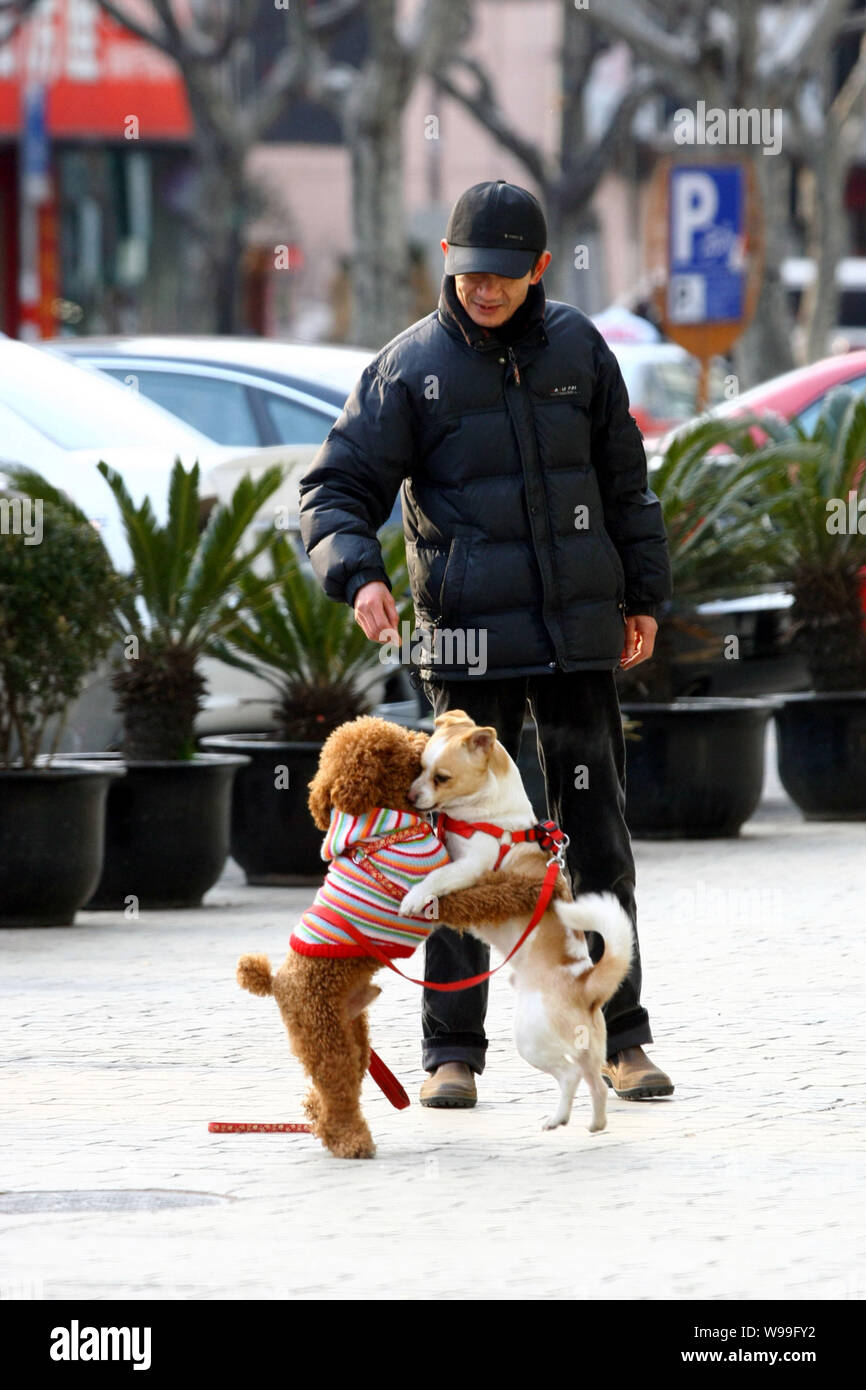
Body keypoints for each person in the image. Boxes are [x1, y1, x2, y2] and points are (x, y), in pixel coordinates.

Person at [299, 179, 674, 1109]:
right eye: (471, 274)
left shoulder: (582, 350)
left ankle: (622, 1038)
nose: (486, 290)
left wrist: (644, 594)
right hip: (466, 649)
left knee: (596, 837)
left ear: (540, 269)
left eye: (505, 275)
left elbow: (626, 484)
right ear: (447, 265)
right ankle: (451, 1056)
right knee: (454, 851)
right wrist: (361, 571)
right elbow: (334, 486)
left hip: (578, 637)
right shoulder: (406, 369)